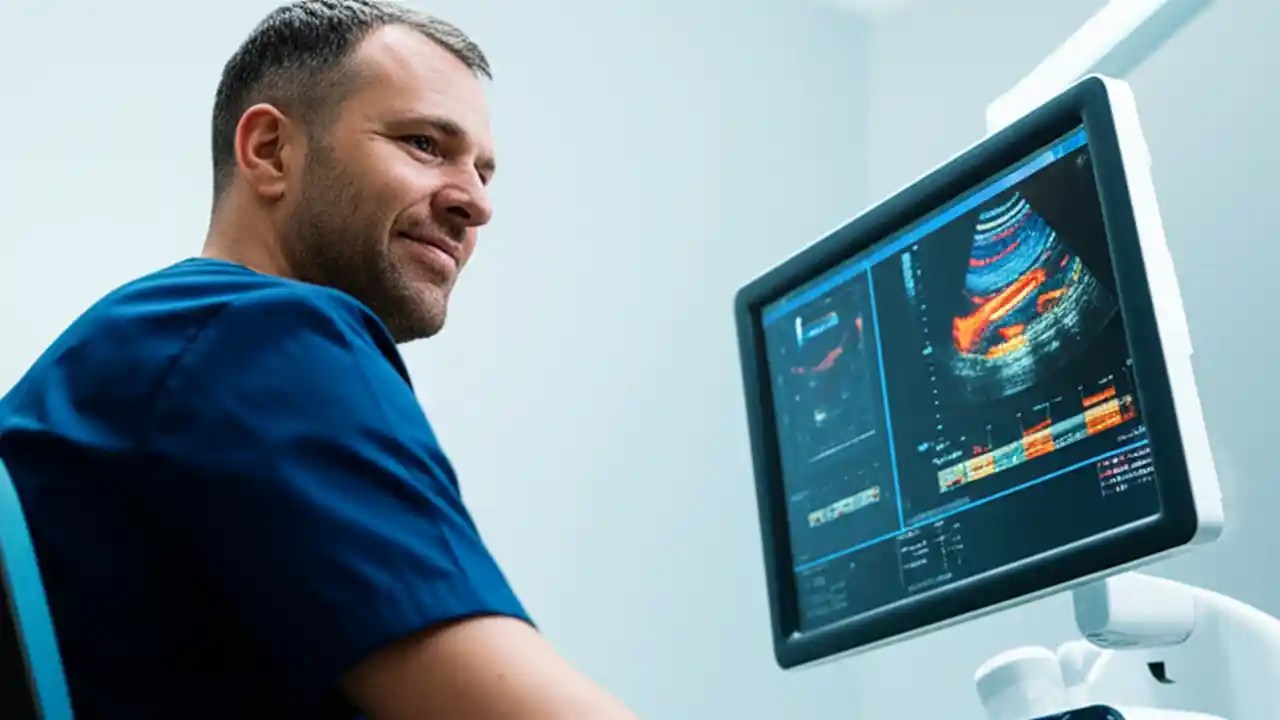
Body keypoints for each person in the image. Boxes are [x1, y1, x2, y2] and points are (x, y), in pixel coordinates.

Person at [0, 1, 638, 717]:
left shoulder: (145, 344)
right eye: (425, 143)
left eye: (485, 172)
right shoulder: (262, 335)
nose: (476, 203)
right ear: (271, 150)